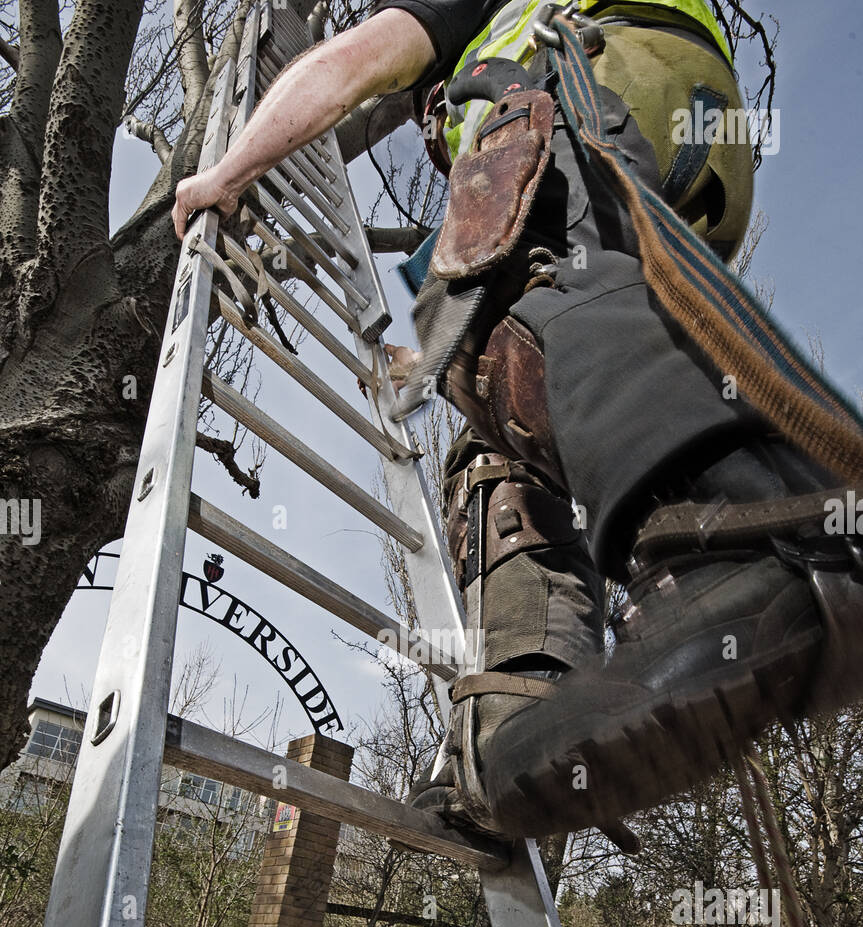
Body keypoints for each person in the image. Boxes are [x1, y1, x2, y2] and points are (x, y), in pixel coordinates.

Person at [173, 1, 863, 843]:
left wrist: (229, 171)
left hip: (597, 83)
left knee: (520, 300)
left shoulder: (490, 12)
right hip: (686, 144)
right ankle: (520, 714)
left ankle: (747, 546)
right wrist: (433, 361)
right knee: (506, 422)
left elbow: (344, 63)